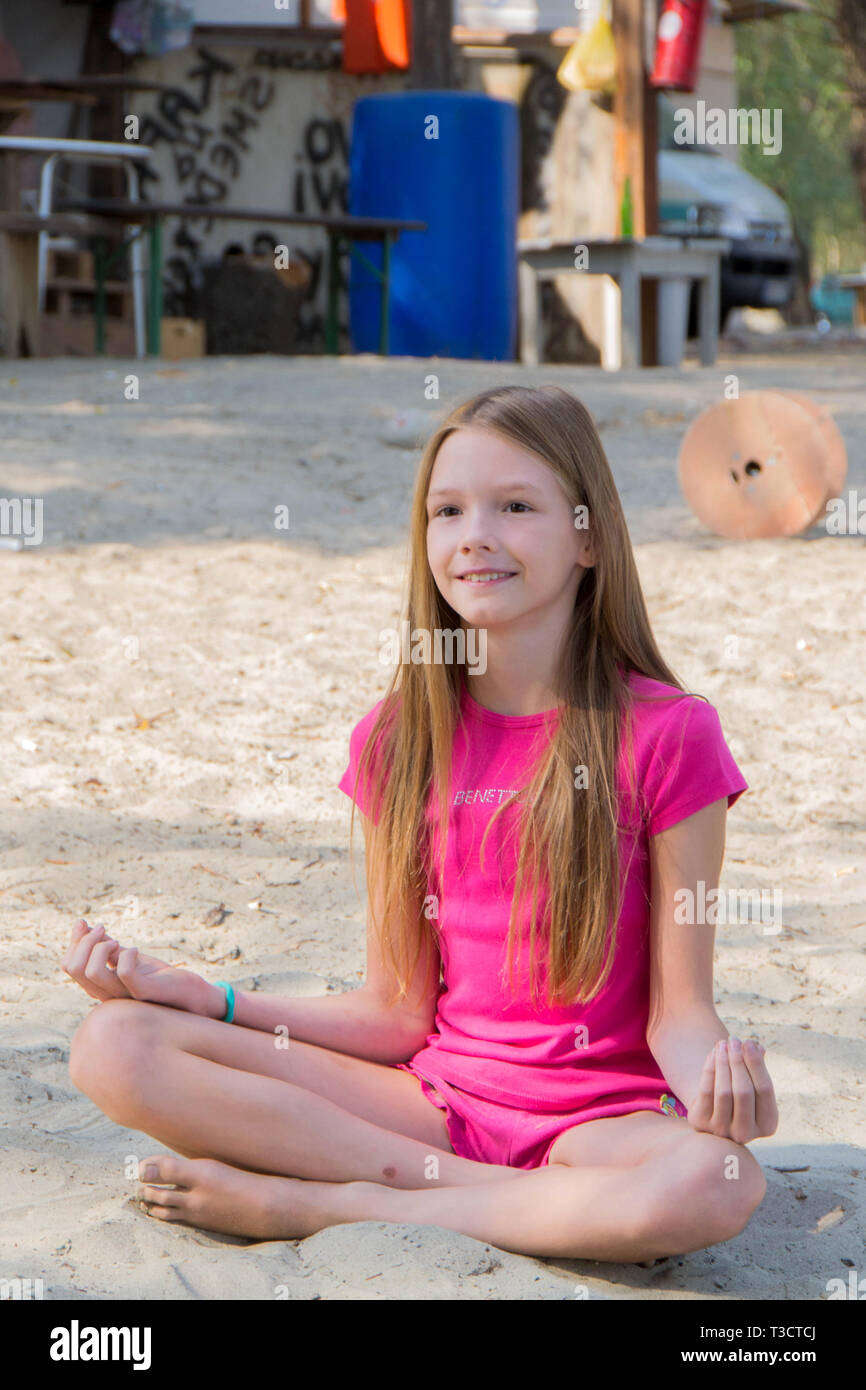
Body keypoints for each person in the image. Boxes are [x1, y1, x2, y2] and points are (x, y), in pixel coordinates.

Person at [64, 384, 777, 1261]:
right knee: (115, 1044)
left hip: (602, 1125)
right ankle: (520, 1202)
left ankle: (324, 1204)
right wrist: (211, 1001)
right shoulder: (397, 740)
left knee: (722, 1181)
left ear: (588, 537)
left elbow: (680, 1014)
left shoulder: (670, 733)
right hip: (428, 1106)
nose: (475, 533)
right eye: (448, 511)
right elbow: (396, 1009)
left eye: (516, 505)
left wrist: (721, 1087)